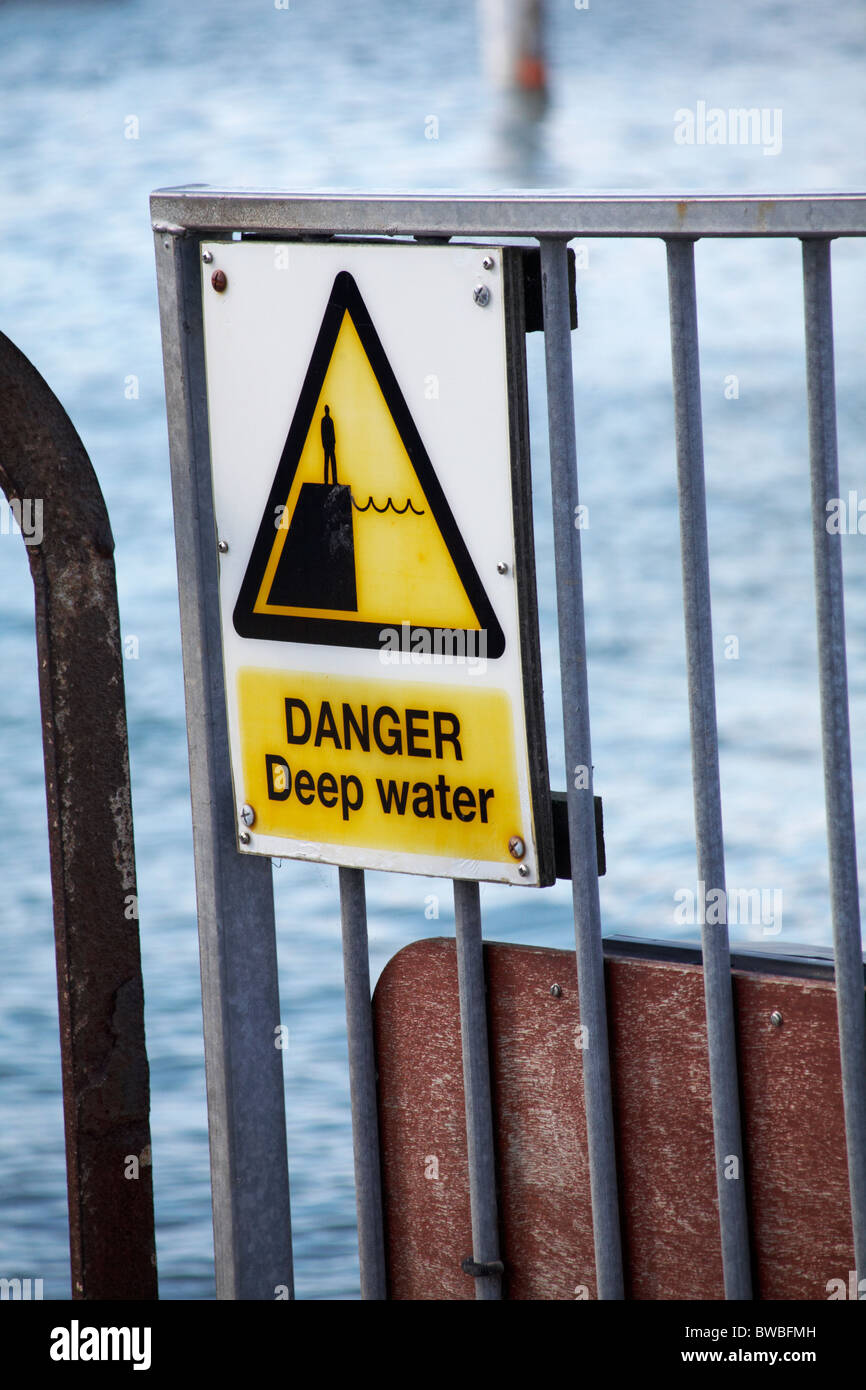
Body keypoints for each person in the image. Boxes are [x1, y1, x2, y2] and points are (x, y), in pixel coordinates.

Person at [321, 404, 337, 484]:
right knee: (326, 463)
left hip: (331, 444)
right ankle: (326, 481)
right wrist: (324, 444)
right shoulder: (324, 420)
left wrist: (334, 442)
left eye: (328, 409)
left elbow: (333, 432)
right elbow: (322, 433)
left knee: (333, 462)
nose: (327, 410)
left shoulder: (330, 420)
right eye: (326, 409)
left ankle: (335, 480)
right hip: (327, 445)